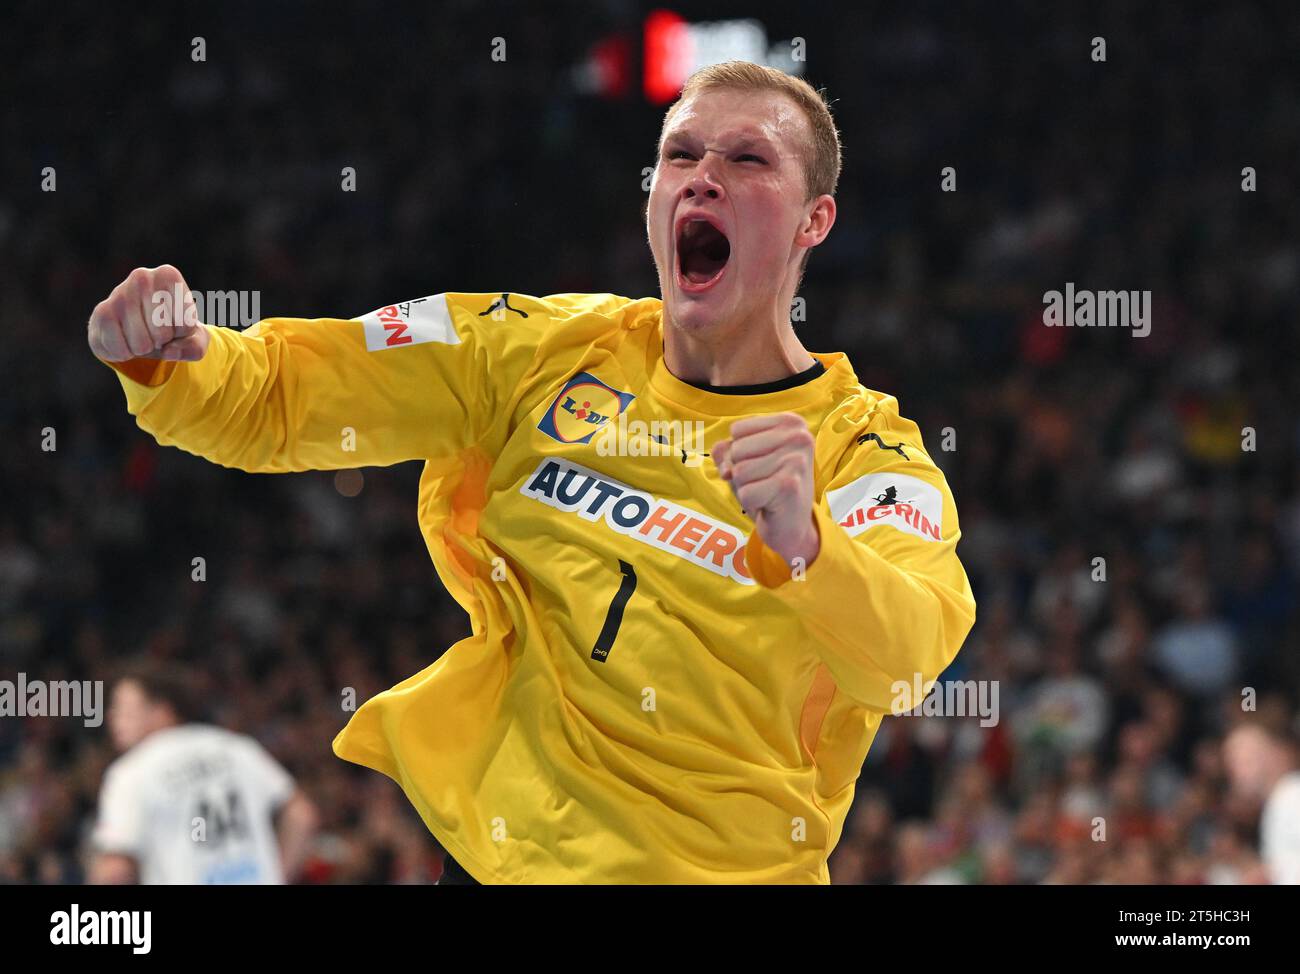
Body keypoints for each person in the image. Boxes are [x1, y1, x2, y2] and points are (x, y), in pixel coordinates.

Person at [87, 61, 975, 883]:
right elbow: (290, 392)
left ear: (814, 219)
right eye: (680, 154)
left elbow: (906, 659)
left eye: (749, 159)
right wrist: (179, 364)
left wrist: (813, 547)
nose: (704, 174)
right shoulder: (536, 349)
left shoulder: (864, 449)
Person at [89, 663, 318, 884]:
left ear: (163, 710)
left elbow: (115, 871)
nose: (113, 718)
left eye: (126, 709)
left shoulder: (131, 772)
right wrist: (277, 877)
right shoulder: (236, 748)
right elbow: (301, 814)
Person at [1223, 722, 1300, 884]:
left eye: (1245, 761)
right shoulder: (1279, 802)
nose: (1236, 773)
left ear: (1272, 755)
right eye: (1232, 764)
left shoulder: (1291, 796)